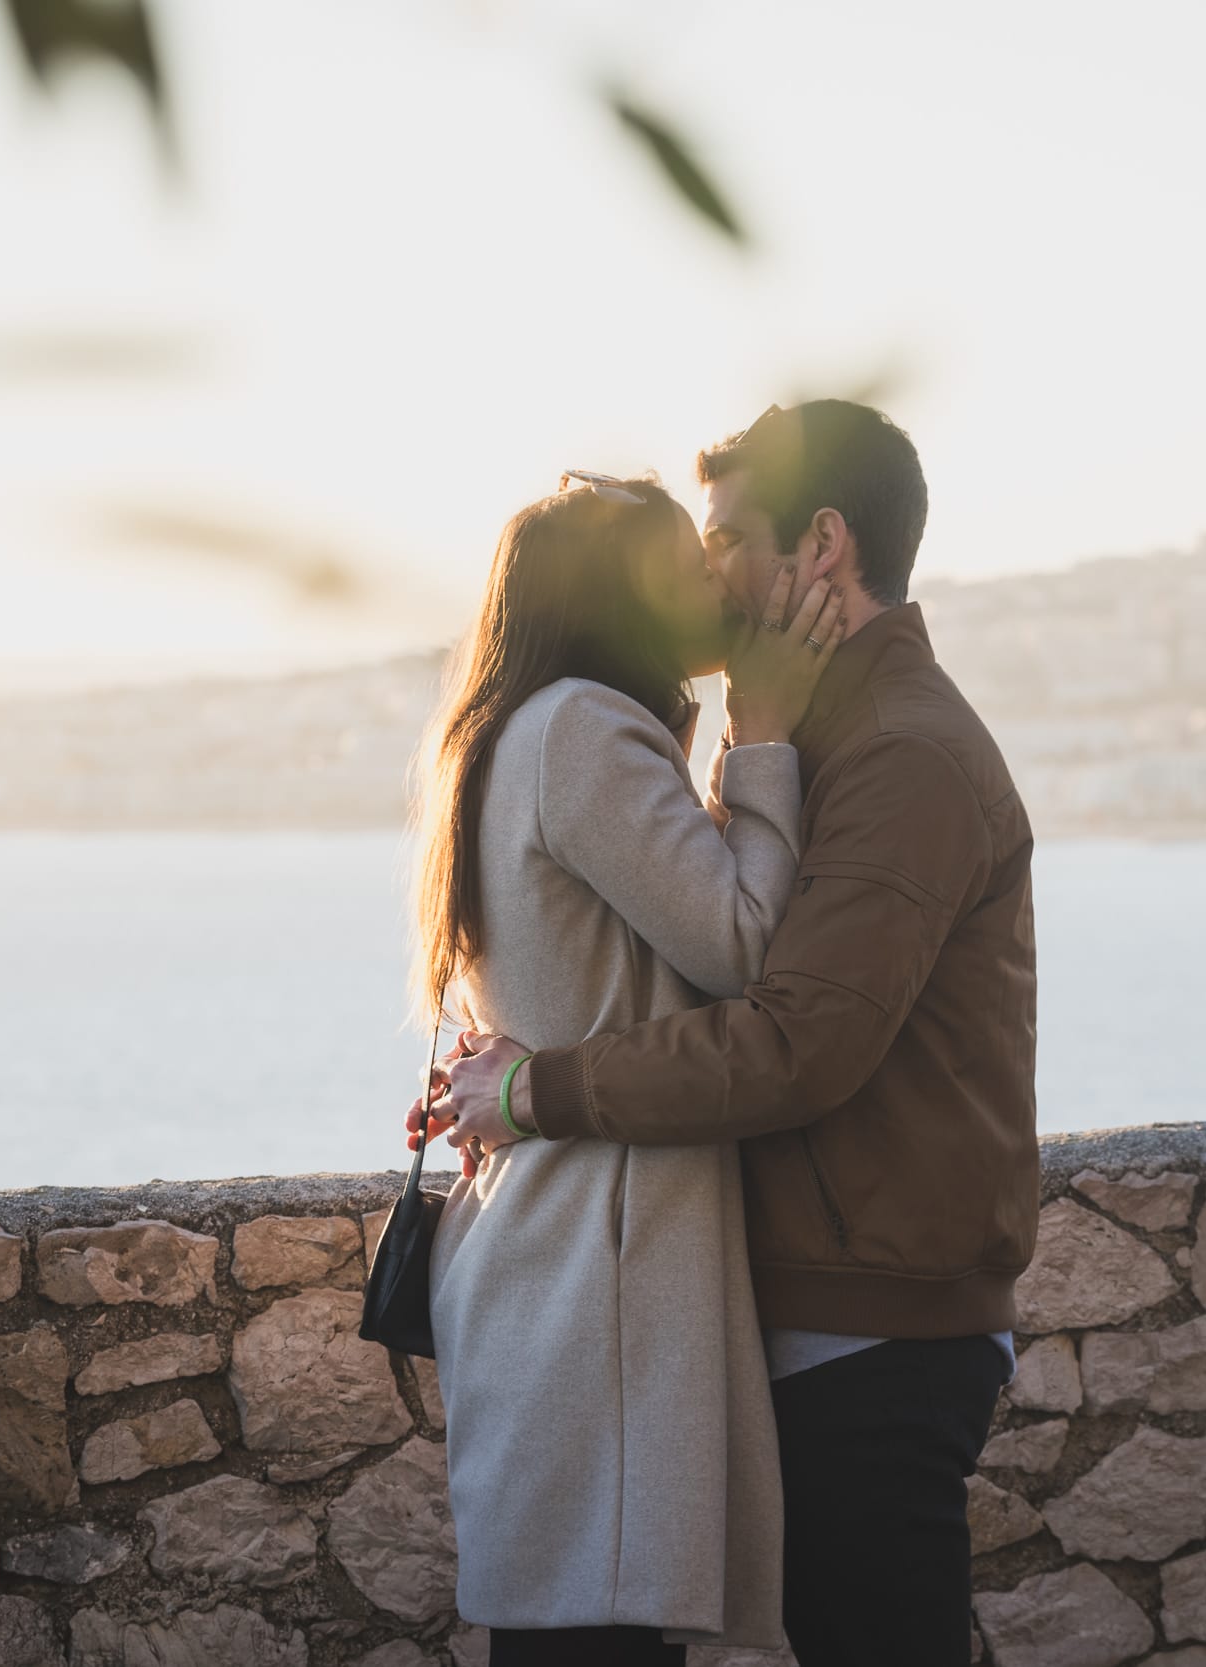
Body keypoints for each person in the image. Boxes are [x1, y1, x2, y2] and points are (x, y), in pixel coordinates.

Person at [435, 402, 1042, 1667]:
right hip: (778, 1301)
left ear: (818, 546)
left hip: (870, 1323)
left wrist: (541, 1087)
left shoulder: (898, 751)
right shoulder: (801, 734)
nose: (707, 571)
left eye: (721, 537)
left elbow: (790, 1040)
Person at [408, 468, 845, 1664]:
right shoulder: (586, 733)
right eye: (679, 568)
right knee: (593, 1638)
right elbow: (744, 944)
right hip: (589, 1277)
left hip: (557, 1267)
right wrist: (763, 740)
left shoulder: (526, 731)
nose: (710, 582)